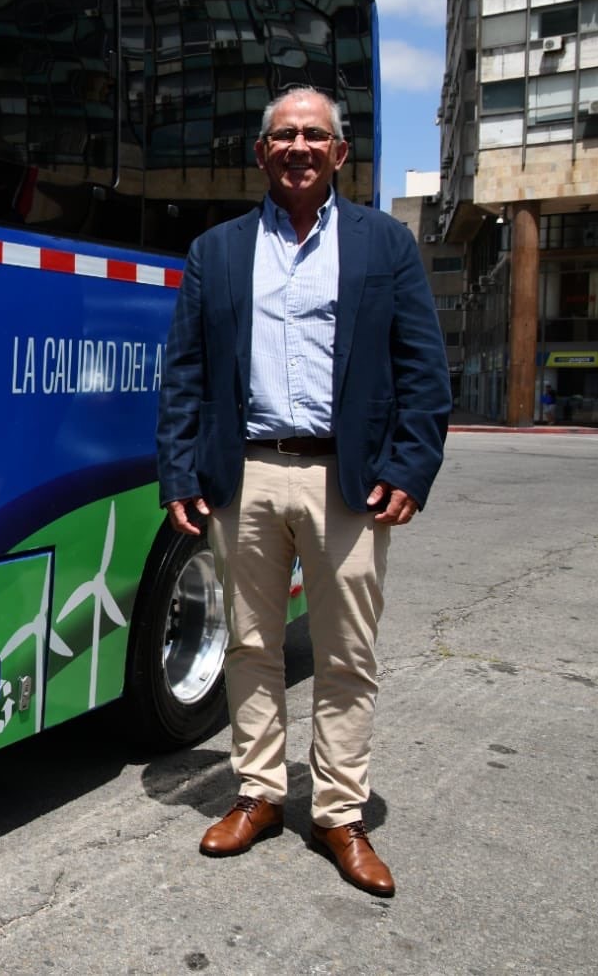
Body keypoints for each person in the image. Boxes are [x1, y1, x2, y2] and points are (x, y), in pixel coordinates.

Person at [155, 85, 450, 897]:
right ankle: (257, 795)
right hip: (242, 476)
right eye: (282, 134)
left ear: (339, 154)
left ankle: (339, 813)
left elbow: (424, 370)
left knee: (344, 652)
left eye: (313, 135)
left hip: (346, 482)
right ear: (261, 152)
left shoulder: (383, 243)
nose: (297, 146)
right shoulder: (214, 251)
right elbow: (184, 372)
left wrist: (408, 467)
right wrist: (179, 470)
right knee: (248, 645)